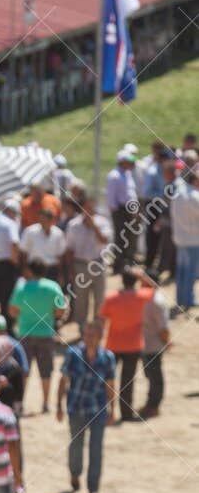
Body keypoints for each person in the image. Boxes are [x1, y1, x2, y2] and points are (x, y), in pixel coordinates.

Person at [57, 319, 116, 493]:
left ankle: (93, 487)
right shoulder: (73, 354)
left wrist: (113, 409)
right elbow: (63, 380)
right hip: (76, 408)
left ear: (100, 337)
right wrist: (58, 405)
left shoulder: (107, 357)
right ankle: (75, 474)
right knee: (76, 445)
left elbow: (110, 384)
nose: (88, 338)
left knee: (96, 448)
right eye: (86, 334)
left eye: (92, 335)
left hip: (97, 408)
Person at [8, 258, 68, 412]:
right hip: (45, 334)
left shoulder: (22, 287)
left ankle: (20, 402)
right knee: (46, 371)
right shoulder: (53, 287)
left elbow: (12, 310)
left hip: (24, 334)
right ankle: (46, 403)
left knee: (23, 371)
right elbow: (61, 311)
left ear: (29, 270)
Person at [100, 267, 153, 424]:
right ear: (135, 281)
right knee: (127, 381)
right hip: (134, 345)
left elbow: (101, 320)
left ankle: (108, 412)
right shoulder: (142, 297)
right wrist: (143, 275)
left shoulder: (111, 298)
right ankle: (126, 413)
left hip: (113, 345)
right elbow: (154, 288)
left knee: (108, 379)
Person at [64, 193, 112, 329]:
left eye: (91, 207)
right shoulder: (73, 225)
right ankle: (82, 328)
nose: (89, 209)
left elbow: (104, 240)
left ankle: (97, 327)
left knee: (99, 298)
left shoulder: (102, 222)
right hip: (80, 265)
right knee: (81, 299)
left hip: (98, 264)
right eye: (86, 207)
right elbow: (69, 249)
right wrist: (71, 270)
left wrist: (94, 226)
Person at [169, 160, 199, 311]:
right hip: (193, 240)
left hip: (180, 238)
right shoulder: (195, 196)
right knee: (191, 272)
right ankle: (188, 300)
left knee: (181, 271)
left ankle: (181, 298)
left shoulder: (177, 194)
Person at [105, 146, 140, 272]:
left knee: (129, 236)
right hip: (120, 210)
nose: (130, 163)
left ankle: (127, 261)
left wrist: (134, 209)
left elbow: (131, 192)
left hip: (128, 209)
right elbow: (111, 196)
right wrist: (115, 211)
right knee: (120, 237)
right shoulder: (114, 176)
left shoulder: (127, 174)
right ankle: (118, 264)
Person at [140, 272, 170, 418]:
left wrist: (166, 342)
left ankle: (154, 406)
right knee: (150, 374)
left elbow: (163, 328)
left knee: (155, 376)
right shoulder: (144, 297)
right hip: (145, 344)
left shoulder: (157, 302)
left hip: (153, 346)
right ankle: (151, 403)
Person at [20, 203, 66, 282]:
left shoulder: (58, 234)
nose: (43, 222)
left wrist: (60, 274)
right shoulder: (30, 231)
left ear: (52, 220)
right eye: (41, 219)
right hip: (34, 270)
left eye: (46, 220)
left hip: (52, 270)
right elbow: (24, 252)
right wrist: (25, 269)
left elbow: (60, 256)